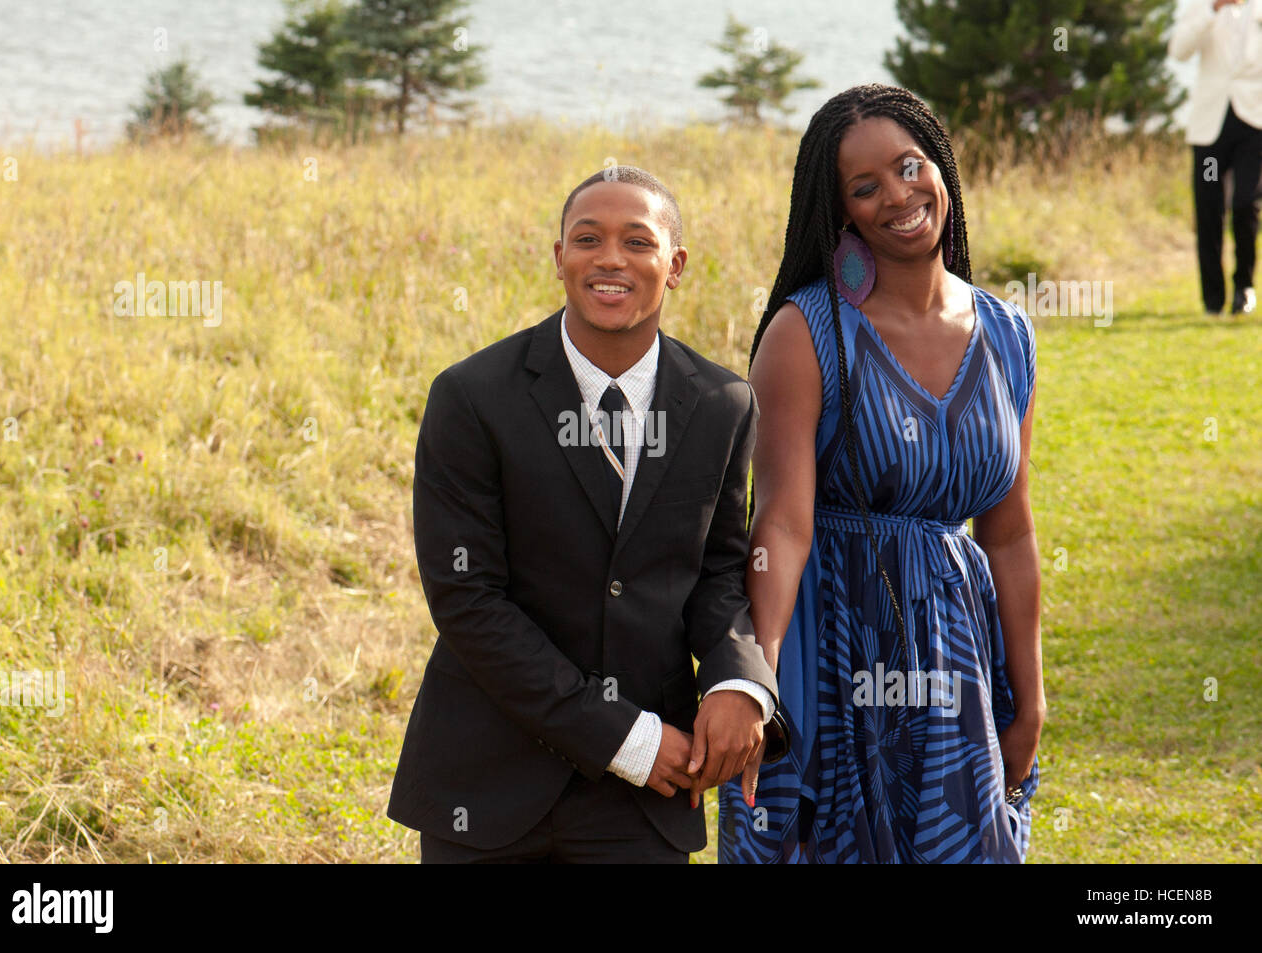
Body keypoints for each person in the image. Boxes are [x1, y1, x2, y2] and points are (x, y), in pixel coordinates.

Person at [386, 166, 782, 863]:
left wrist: (738, 679)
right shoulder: (472, 396)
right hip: (489, 780)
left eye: (637, 240)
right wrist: (624, 738)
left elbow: (718, 574)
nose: (610, 258)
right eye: (588, 238)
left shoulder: (724, 403)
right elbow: (468, 599)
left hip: (643, 805)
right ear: (559, 258)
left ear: (675, 264)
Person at [717, 85, 1045, 863]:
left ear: (941, 168)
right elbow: (783, 527)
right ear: (843, 214)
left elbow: (1011, 531)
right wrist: (755, 687)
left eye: (909, 166)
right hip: (832, 648)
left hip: (958, 655)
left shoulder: (1007, 334)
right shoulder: (806, 332)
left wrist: (1030, 700)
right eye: (866, 187)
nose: (899, 194)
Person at [1170, 0, 1262, 314]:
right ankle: (1213, 299)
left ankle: (1244, 287)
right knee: (1209, 209)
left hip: (1254, 122)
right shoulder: (1201, 7)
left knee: (1245, 202)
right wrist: (1212, 11)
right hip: (1212, 127)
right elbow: (1179, 50)